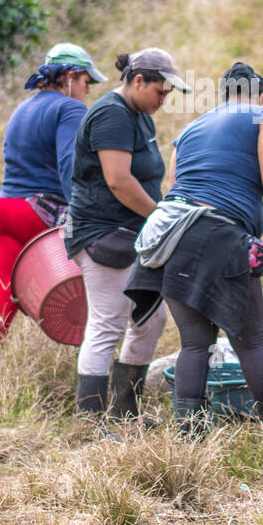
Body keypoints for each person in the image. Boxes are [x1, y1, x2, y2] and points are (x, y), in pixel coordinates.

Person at [125, 62, 263, 432]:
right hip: (219, 235)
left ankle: (189, 438)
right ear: (261, 96)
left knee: (195, 344)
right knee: (252, 342)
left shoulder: (187, 132)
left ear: (223, 98)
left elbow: (173, 189)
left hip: (168, 238)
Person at [65, 47, 190, 419]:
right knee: (108, 324)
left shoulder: (139, 114)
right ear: (138, 81)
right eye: (160, 91)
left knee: (151, 318)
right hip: (103, 235)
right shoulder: (111, 114)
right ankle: (89, 418)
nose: (163, 100)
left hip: (134, 236)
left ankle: (124, 410)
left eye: (168, 94)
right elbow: (119, 181)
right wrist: (162, 217)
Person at [0, 43, 106, 351]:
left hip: (5, 209)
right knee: (94, 285)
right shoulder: (70, 108)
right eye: (87, 83)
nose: (87, 91)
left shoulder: (24, 107)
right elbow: (68, 164)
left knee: (6, 293)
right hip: (38, 212)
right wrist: (81, 213)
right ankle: (97, 366)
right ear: (72, 76)